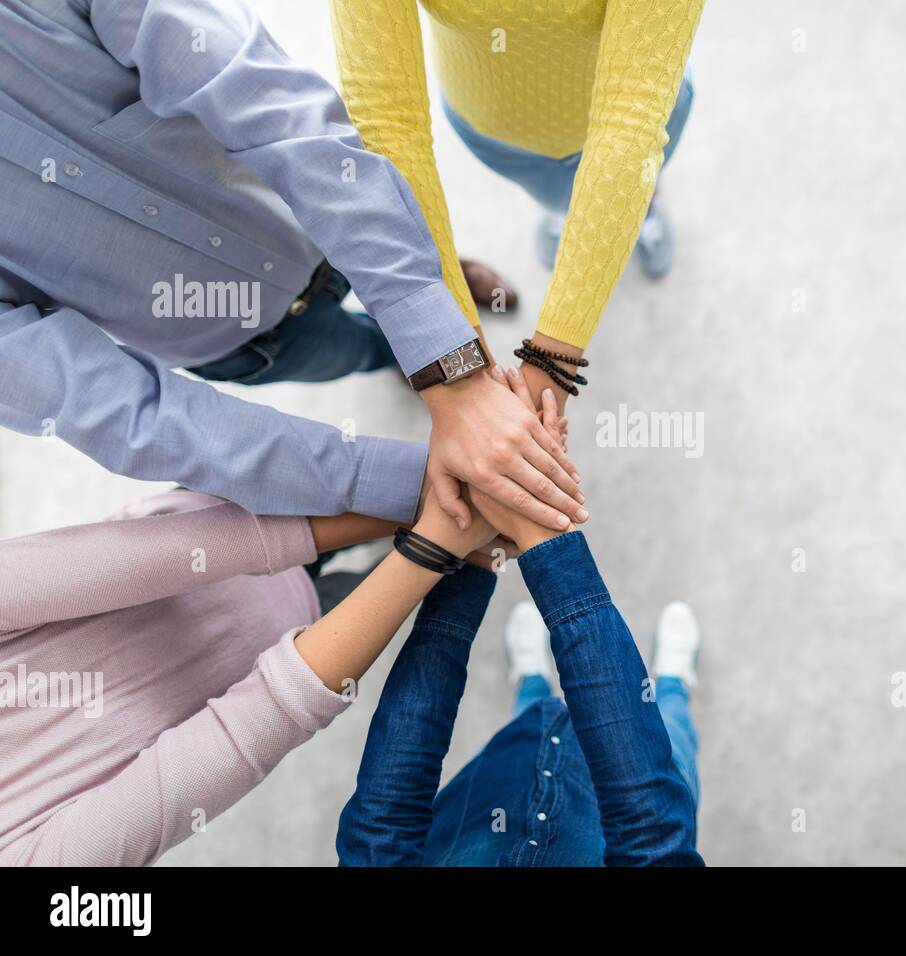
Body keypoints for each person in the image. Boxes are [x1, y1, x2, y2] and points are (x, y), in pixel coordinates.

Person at [0, 0, 582, 534]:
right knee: (361, 349)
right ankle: (395, 355)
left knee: (403, 247)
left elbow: (275, 110)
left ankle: (441, 286)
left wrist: (447, 362)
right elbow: (115, 409)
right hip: (243, 338)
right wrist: (398, 478)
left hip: (311, 211)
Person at [0, 475, 513, 865]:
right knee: (387, 568)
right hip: (296, 645)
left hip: (222, 528)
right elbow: (243, 732)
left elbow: (149, 557)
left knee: (404, 515)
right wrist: (442, 529)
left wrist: (437, 503)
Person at [337, 369, 703, 866]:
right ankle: (676, 682)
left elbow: (382, 829)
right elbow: (651, 837)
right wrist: (539, 530)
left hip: (503, 773)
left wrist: (474, 547)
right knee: (670, 727)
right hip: (630, 766)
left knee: (531, 718)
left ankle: (531, 680)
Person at [330, 0, 703, 413]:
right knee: (557, 197)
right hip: (495, 130)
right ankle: (567, 213)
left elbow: (631, 121)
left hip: (641, 112)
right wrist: (462, 358)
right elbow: (386, 123)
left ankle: (643, 211)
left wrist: (552, 365)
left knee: (639, 182)